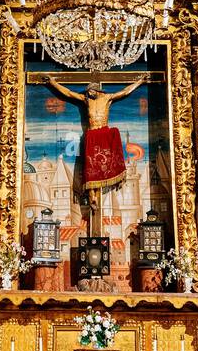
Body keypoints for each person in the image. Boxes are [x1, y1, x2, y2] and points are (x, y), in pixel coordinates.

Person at [46, 75, 147, 233]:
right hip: (92, 135)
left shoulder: (107, 98)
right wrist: (52, 82)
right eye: (88, 91)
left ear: (97, 90)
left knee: (102, 163)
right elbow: (68, 93)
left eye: (91, 90)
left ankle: (105, 185)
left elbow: (125, 92)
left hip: (104, 133)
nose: (88, 93)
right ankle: (92, 196)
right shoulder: (86, 100)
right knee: (91, 168)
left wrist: (140, 82)